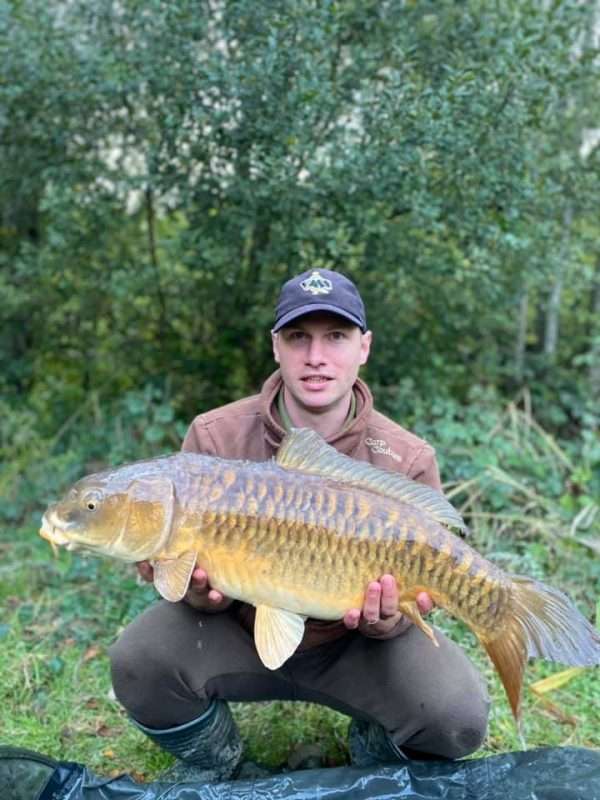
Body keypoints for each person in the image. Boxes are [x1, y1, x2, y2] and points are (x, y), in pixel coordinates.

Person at [108, 268, 489, 781]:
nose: (316, 357)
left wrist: (389, 620)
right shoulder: (215, 437)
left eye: (336, 337)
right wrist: (199, 594)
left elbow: (429, 592)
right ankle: (219, 761)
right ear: (276, 347)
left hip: (356, 647)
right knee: (138, 660)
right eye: (298, 338)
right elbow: (182, 580)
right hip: (239, 631)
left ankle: (374, 755)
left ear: (364, 347)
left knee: (456, 717)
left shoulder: (404, 457)